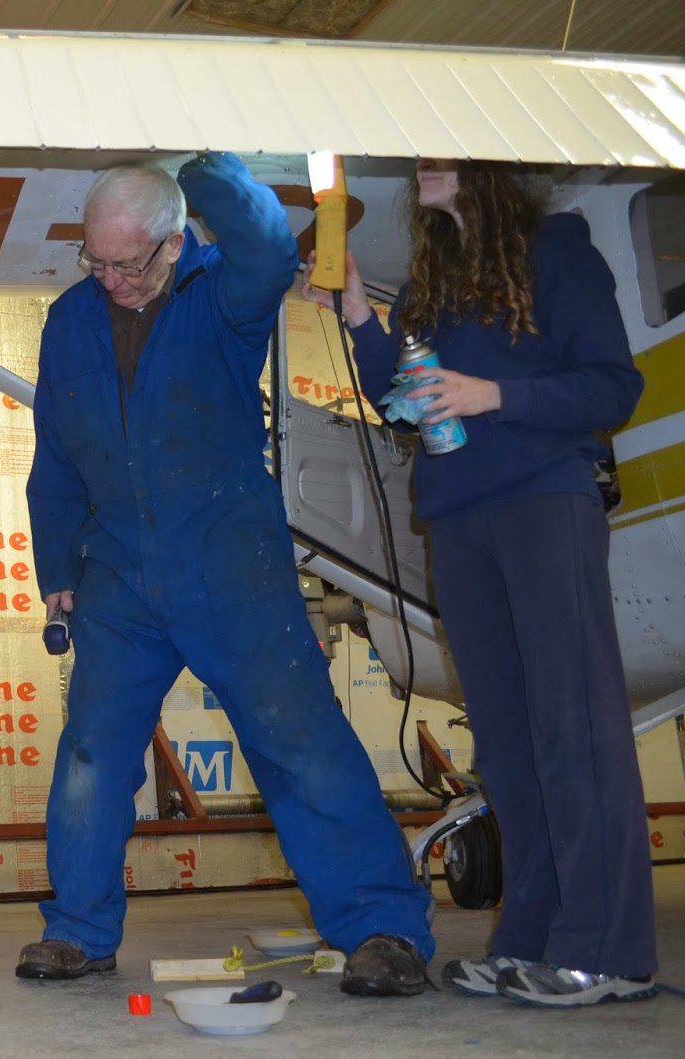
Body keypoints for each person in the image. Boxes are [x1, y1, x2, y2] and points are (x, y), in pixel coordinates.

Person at [21, 151, 436, 996]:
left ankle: (383, 926)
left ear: (174, 244)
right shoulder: (69, 321)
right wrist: (56, 559)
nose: (111, 281)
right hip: (120, 573)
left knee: (301, 743)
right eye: (96, 263)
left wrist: (201, 165)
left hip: (228, 560)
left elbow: (266, 240)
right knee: (93, 757)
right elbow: (56, 449)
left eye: (128, 263)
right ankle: (78, 930)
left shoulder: (226, 298)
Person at [302, 157, 654, 1007]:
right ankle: (529, 937)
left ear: (490, 167)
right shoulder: (439, 285)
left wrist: (493, 393)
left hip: (542, 505)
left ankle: (604, 951)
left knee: (574, 730)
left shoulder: (556, 249)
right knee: (506, 740)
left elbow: (614, 386)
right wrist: (357, 309)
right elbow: (411, 401)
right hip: (458, 522)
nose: (424, 162)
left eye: (443, 151)